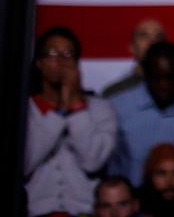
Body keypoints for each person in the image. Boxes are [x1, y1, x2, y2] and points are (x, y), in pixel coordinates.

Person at [26, 25, 119, 216]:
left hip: (83, 212)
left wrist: (76, 106)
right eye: (52, 53)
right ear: (38, 62)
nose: (60, 61)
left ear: (77, 63)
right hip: (34, 212)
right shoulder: (25, 108)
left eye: (68, 54)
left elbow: (93, 161)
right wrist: (59, 112)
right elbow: (25, 162)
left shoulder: (101, 108)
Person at [109, 40, 174, 189]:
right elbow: (113, 167)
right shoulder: (118, 108)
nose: (164, 85)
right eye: (157, 78)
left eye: (170, 77)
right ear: (145, 72)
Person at [103, 19, 174, 100]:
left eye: (158, 36)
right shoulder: (115, 93)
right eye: (144, 36)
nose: (152, 41)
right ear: (132, 47)